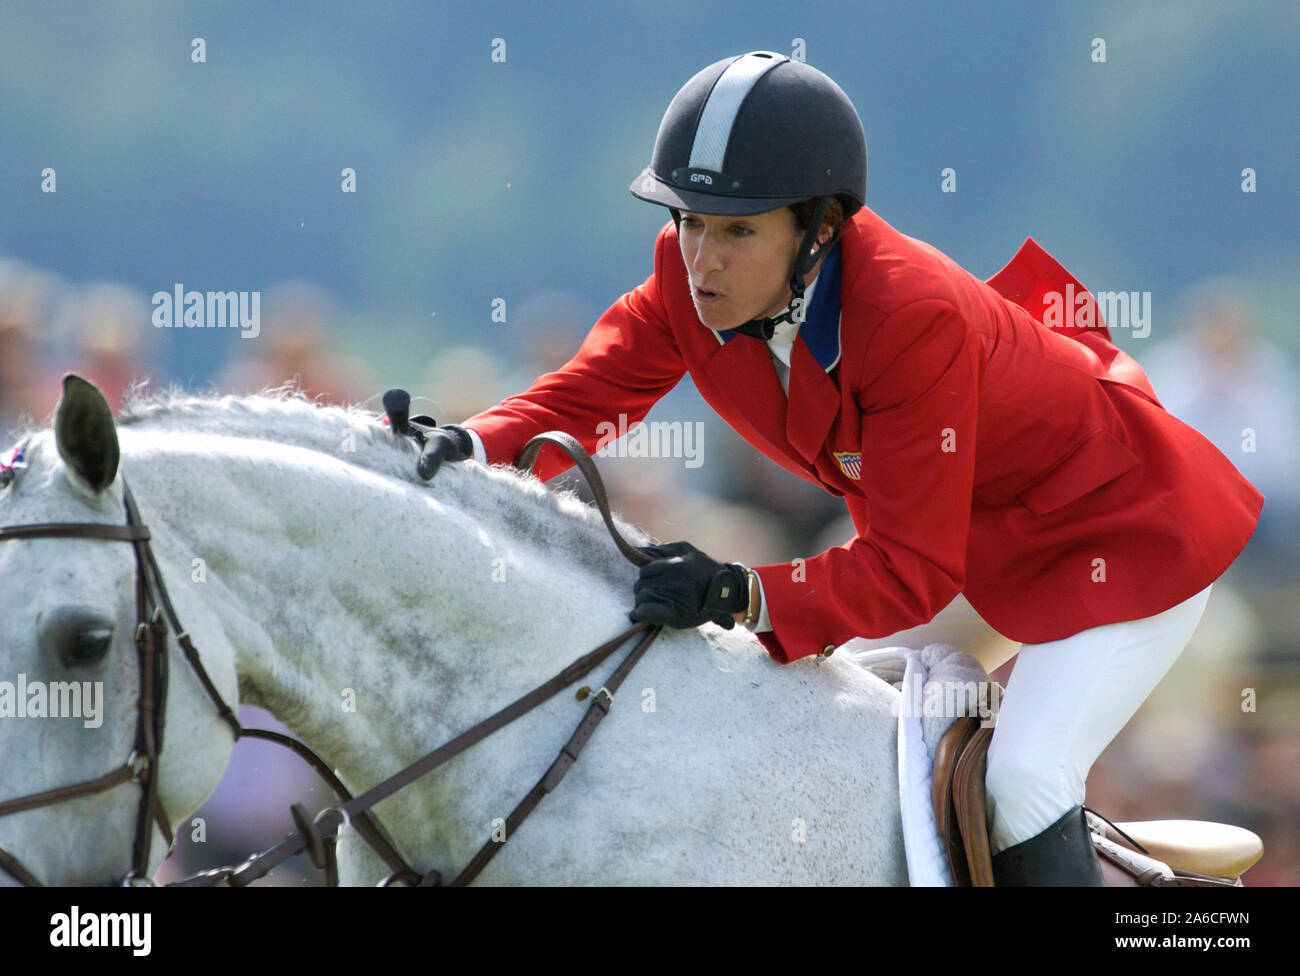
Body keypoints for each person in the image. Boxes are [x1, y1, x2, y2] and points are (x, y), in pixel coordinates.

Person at [414, 51, 1263, 885]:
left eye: (738, 230)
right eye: (688, 220)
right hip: (974, 543)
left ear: (819, 228)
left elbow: (912, 571)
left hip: (1124, 536)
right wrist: (460, 446)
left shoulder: (908, 317)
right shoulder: (690, 272)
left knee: (1023, 779)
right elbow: (588, 394)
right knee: (782, 707)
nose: (701, 259)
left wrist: (741, 592)